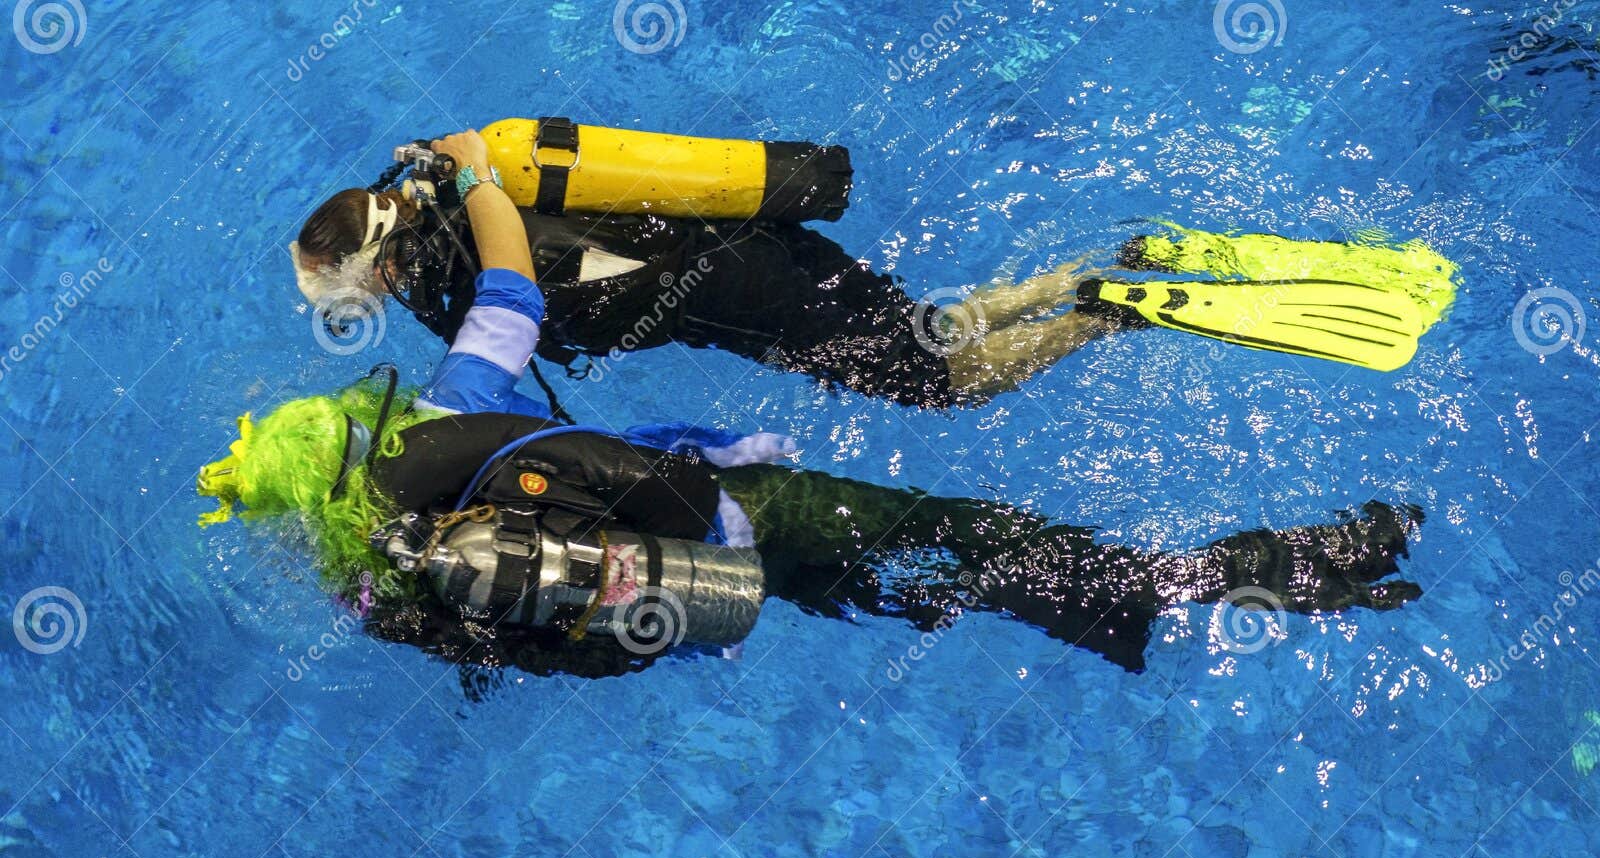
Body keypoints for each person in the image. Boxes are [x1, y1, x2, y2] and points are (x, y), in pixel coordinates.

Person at [207, 137, 1426, 677]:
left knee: (958, 479)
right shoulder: (455, 392)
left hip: (736, 549)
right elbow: (514, 288)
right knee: (977, 525)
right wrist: (472, 173)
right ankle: (1219, 553)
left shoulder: (383, 579)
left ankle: (1116, 330)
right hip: (751, 479)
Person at [291, 130, 1456, 410]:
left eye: (350, 294)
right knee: (937, 328)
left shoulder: (475, 253)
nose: (364, 310)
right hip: (752, 257)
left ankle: (1116, 306)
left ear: (375, 272)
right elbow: (475, 170)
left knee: (945, 385)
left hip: (751, 295)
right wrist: (455, 169)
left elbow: (516, 290)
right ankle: (1106, 267)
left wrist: (479, 189)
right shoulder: (446, 200)